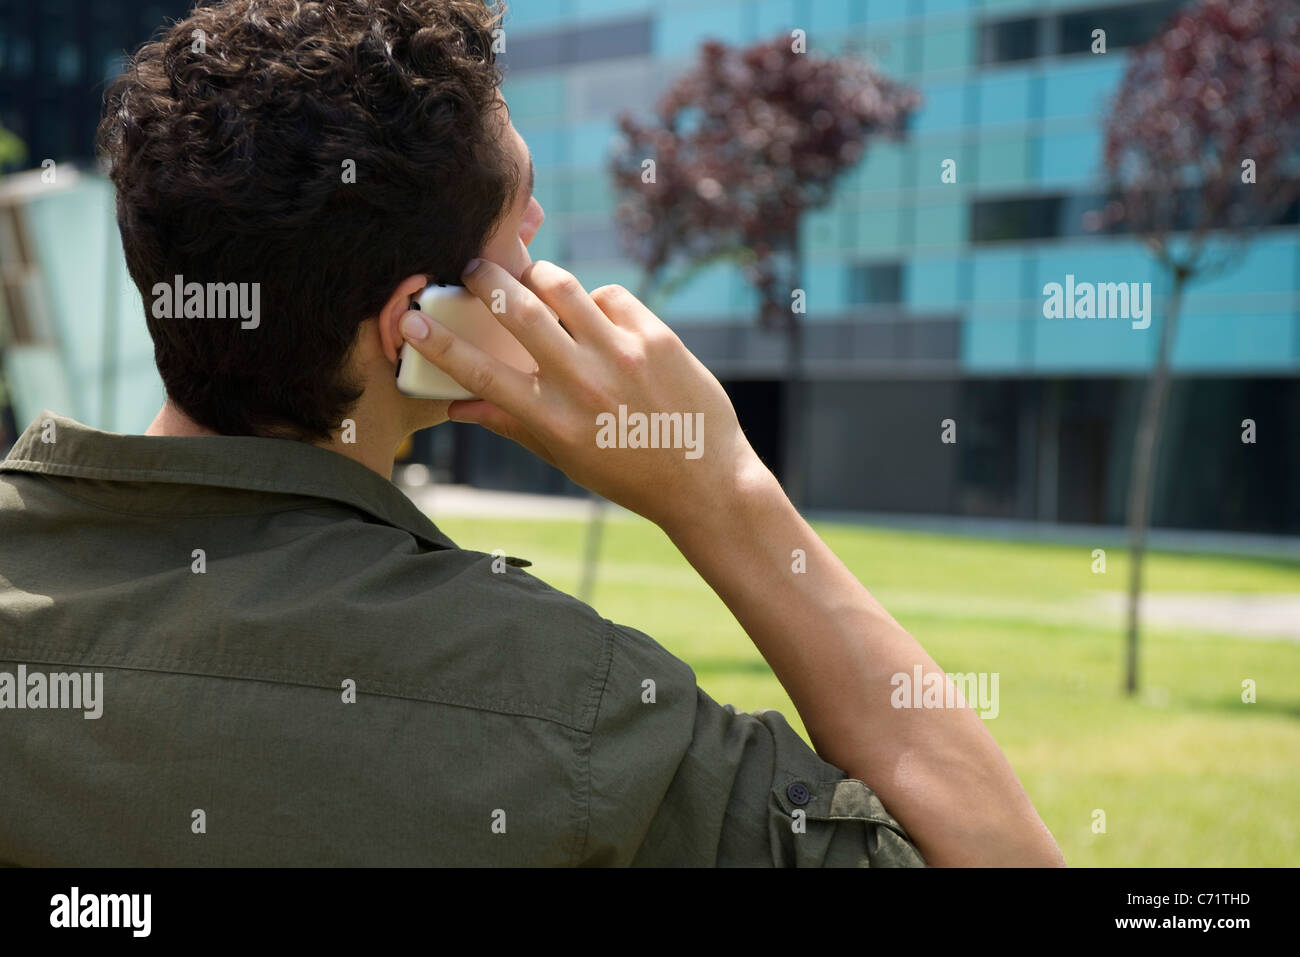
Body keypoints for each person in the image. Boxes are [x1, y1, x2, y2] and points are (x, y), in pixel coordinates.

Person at [0, 0, 1063, 867]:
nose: (541, 235)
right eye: (525, 203)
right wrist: (726, 494)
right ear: (413, 326)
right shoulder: (570, 706)